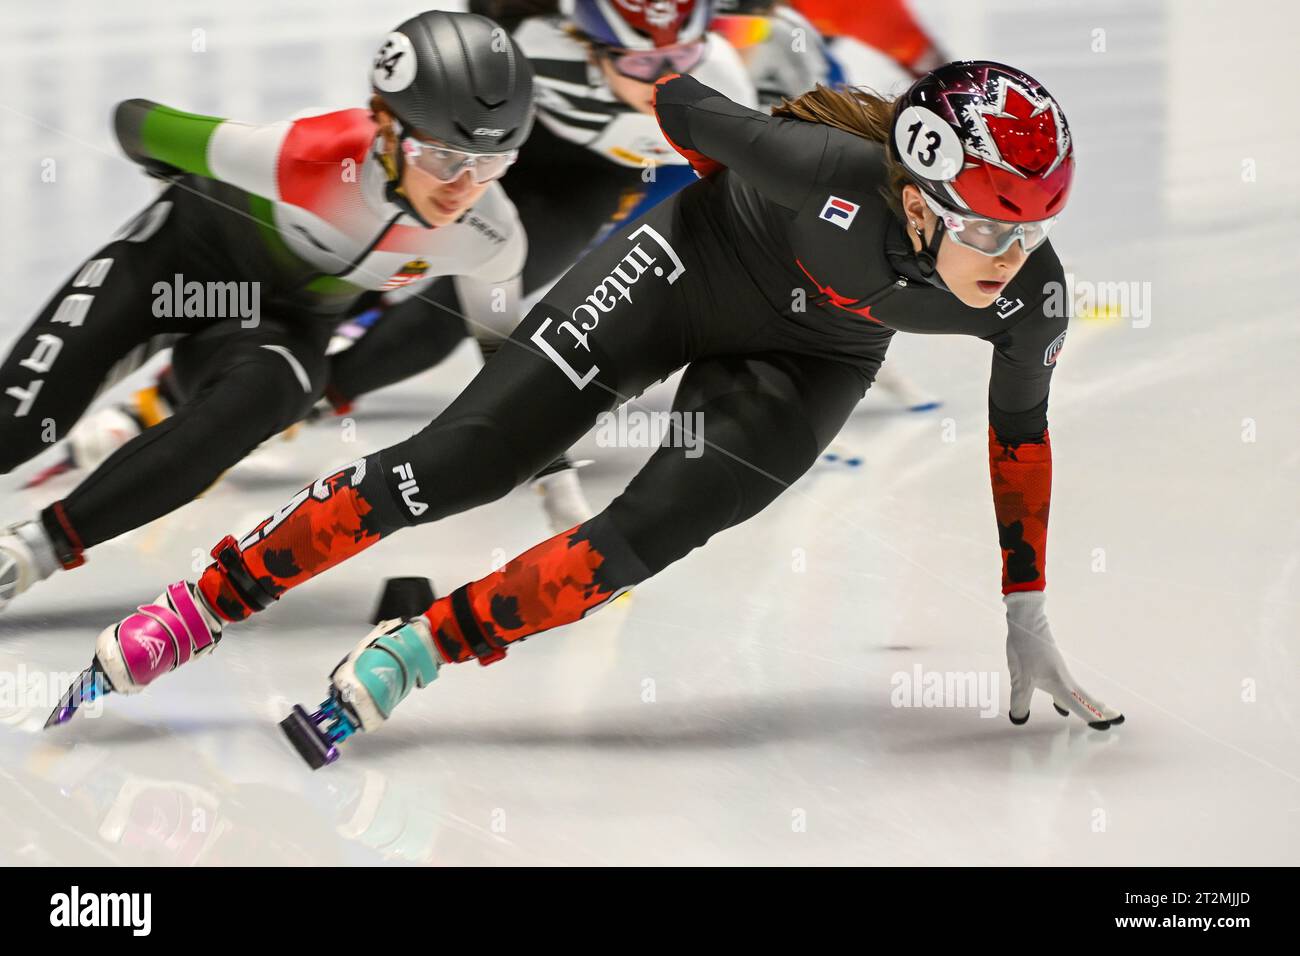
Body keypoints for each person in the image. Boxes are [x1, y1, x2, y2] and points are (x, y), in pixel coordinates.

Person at [56, 61, 1124, 757]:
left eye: (1025, 235)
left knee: (638, 538)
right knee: (462, 460)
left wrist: (1023, 606)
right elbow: (681, 104)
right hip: (683, 268)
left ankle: (419, 649)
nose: (1005, 260)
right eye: (983, 231)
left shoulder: (1031, 298)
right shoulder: (819, 170)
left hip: (813, 359)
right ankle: (211, 598)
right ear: (914, 194)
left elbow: (1019, 434)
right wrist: (647, 104)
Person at [0, 10, 534, 610]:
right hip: (178, 267)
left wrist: (558, 484)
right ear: (384, 124)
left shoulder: (492, 235)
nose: (462, 186)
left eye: (489, 163)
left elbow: (508, 359)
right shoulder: (304, 155)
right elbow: (135, 122)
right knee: (13, 428)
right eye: (440, 157)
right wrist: (167, 205)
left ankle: (27, 555)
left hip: (276, 327)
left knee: (287, 387)